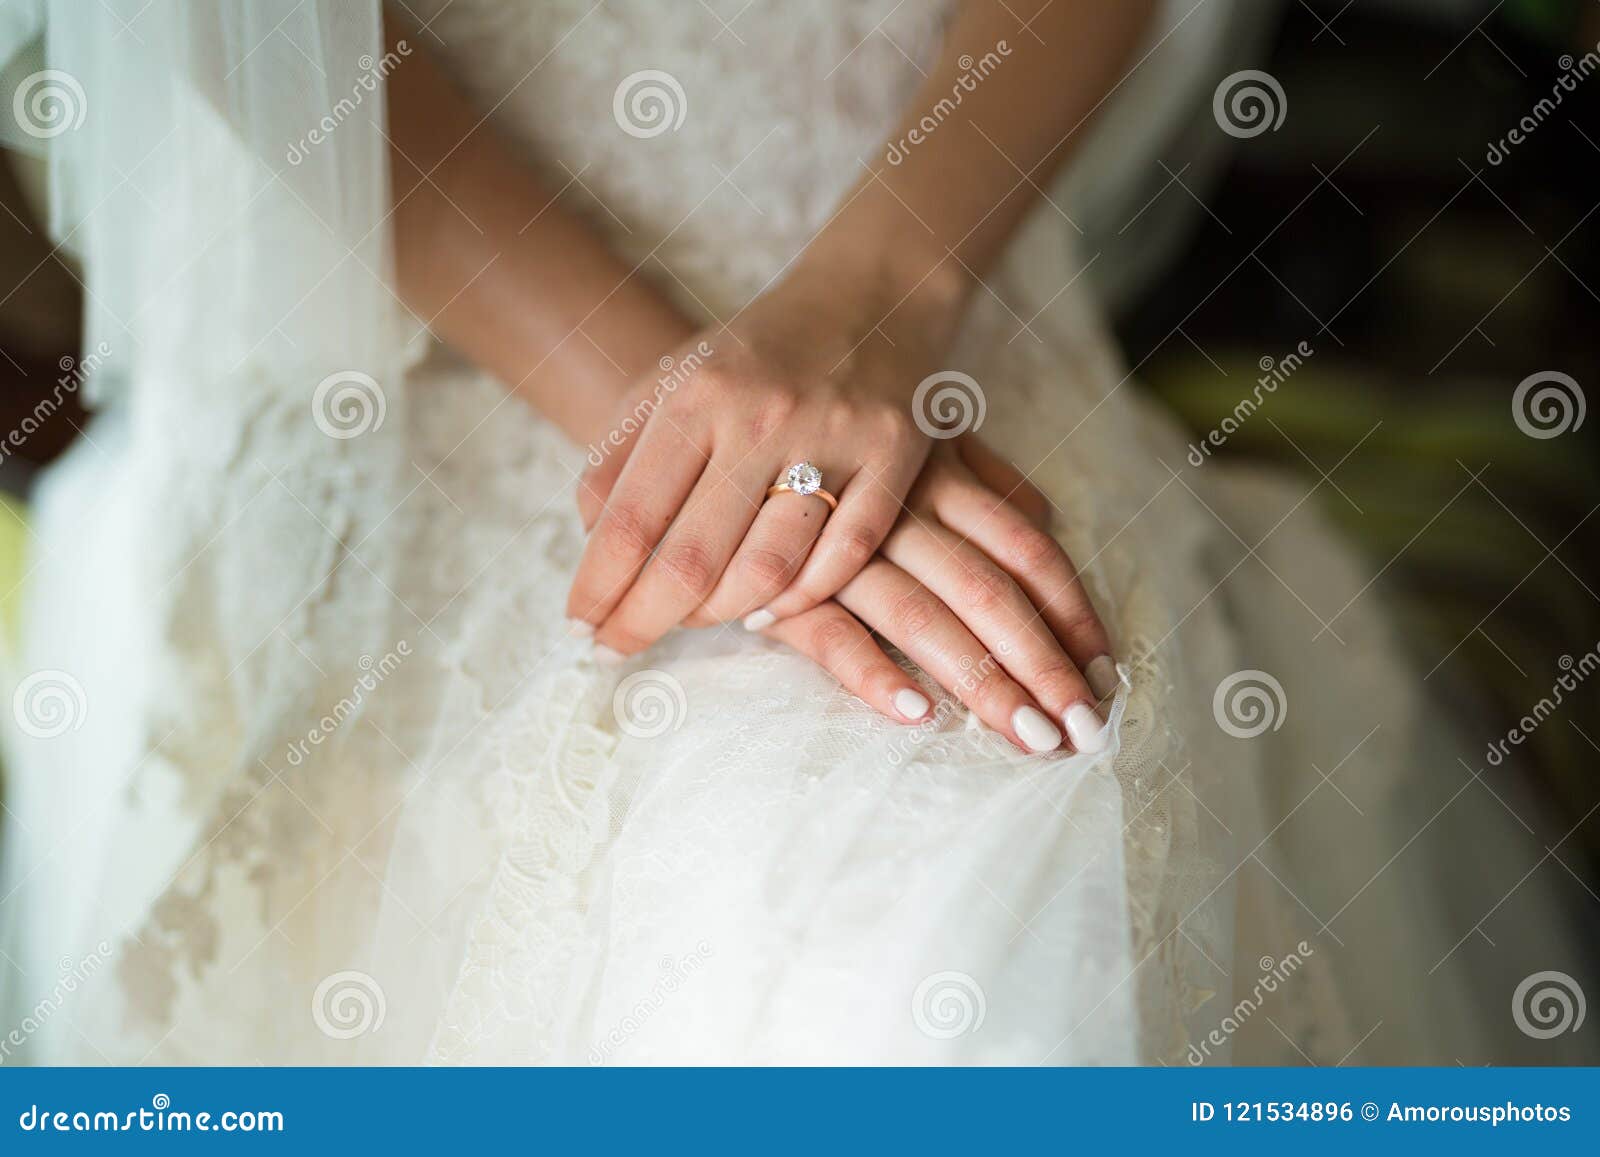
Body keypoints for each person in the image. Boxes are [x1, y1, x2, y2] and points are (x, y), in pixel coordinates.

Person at [0, 0, 1586, 1064]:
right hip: (400, 311)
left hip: (932, 265)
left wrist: (875, 306)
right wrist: (703, 436)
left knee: (991, 918)